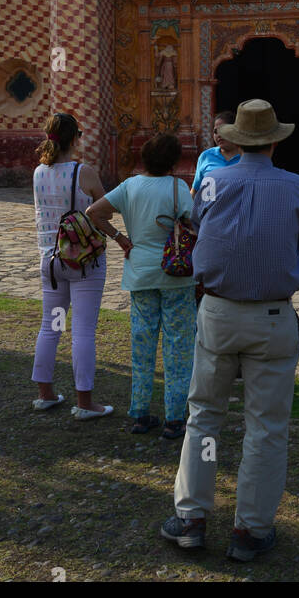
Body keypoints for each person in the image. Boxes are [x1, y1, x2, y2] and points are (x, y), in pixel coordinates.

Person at [161, 99, 299, 561]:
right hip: (272, 316)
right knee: (266, 426)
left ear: (237, 138)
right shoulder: (293, 186)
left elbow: (195, 226)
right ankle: (249, 529)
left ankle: (192, 518)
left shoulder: (210, 181)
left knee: (205, 416)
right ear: (274, 140)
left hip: (218, 312)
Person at [87, 134, 197, 440]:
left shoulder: (129, 186)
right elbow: (196, 225)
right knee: (178, 347)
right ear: (173, 160)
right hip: (176, 274)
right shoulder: (178, 189)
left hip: (140, 272)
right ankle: (175, 418)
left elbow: (93, 212)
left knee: (143, 346)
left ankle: (140, 413)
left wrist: (120, 238)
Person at [32, 113, 130, 420]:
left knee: (51, 325)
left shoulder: (38, 172)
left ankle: (45, 394)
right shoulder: (83, 172)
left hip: (50, 260)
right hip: (83, 261)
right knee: (84, 331)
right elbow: (107, 211)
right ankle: (85, 402)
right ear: (75, 138)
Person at [191, 110, 241, 192]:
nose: (219, 135)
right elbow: (195, 191)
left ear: (235, 131)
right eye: (215, 131)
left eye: (223, 130)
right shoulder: (206, 156)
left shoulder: (246, 157)